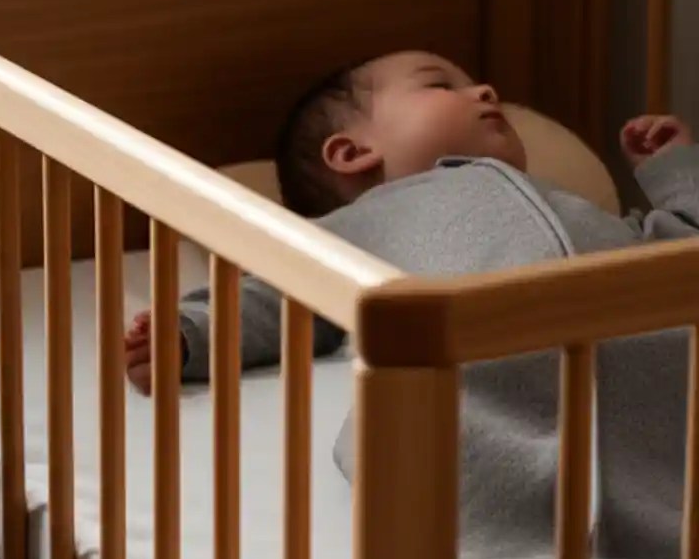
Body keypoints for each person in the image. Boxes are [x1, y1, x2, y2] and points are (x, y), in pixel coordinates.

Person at [124, 49, 694, 395]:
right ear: (351, 154)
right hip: (513, 390)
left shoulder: (577, 208)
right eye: (440, 84)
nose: (486, 90)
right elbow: (276, 297)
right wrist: (190, 334)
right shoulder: (360, 227)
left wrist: (672, 170)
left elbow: (680, 251)